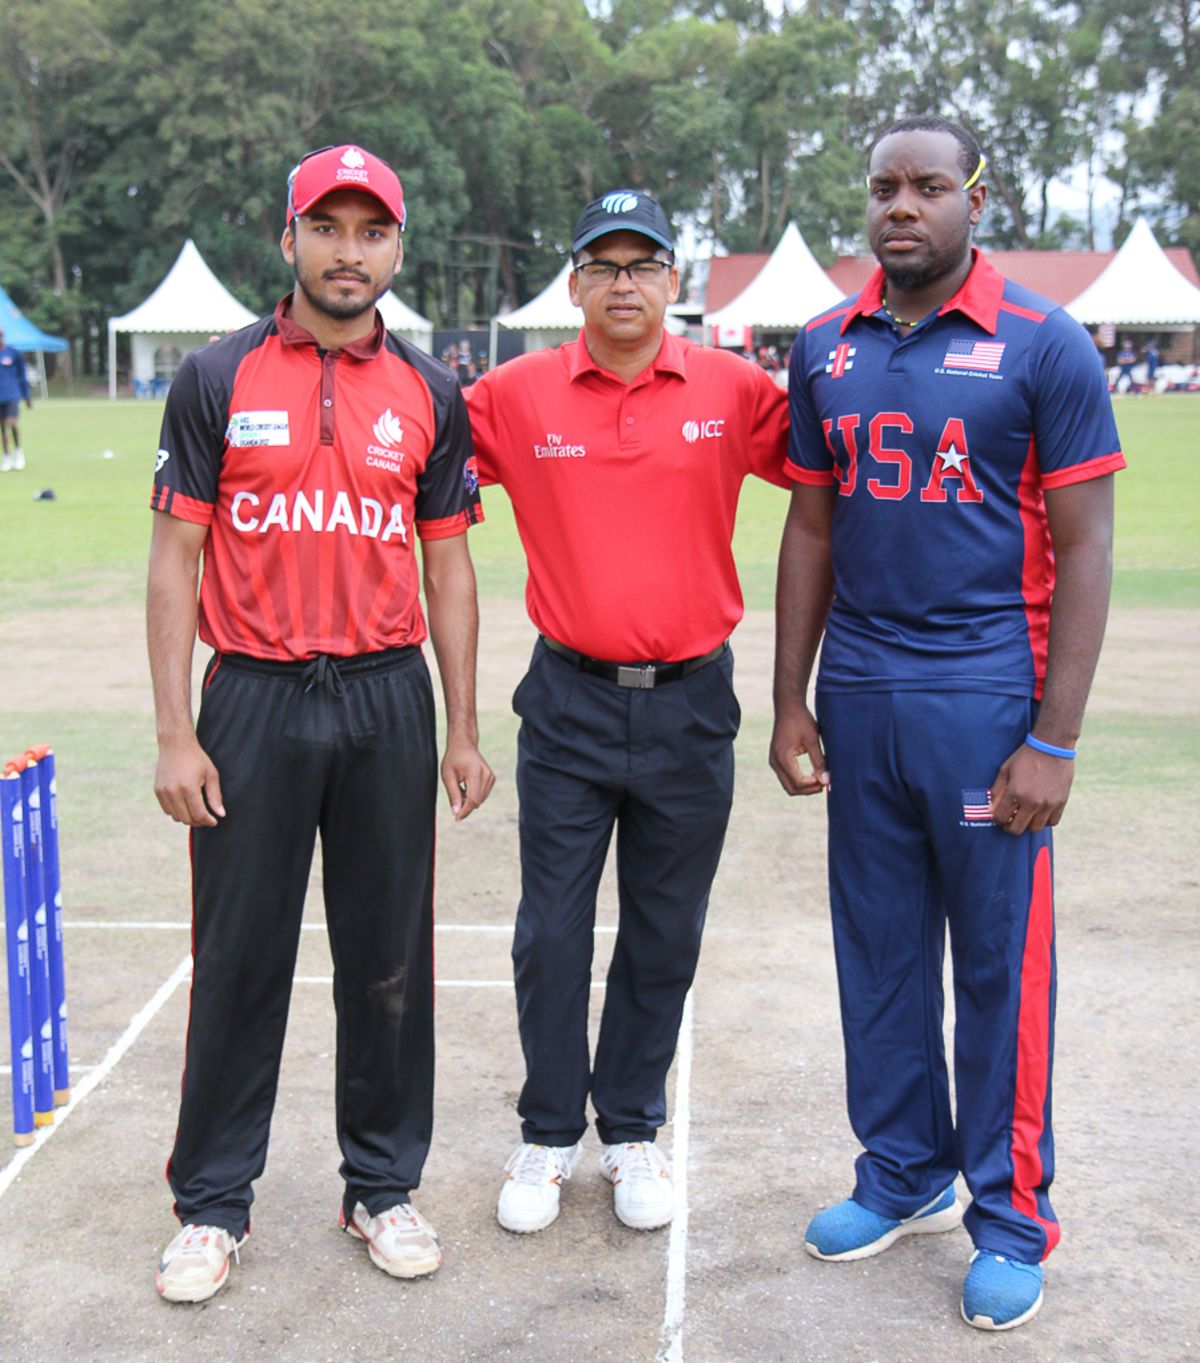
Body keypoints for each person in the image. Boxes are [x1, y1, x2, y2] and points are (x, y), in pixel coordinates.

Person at [770, 117, 1123, 1332]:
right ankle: (901, 1171)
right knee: (877, 954)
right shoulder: (824, 345)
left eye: (928, 187)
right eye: (882, 188)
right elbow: (809, 529)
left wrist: (1055, 737)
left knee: (998, 970)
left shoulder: (1044, 341)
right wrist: (786, 699)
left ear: (977, 196)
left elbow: (1086, 550)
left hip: (987, 699)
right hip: (862, 696)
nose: (901, 207)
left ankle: (1011, 1215)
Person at [146, 144, 494, 1303]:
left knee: (389, 958)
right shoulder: (214, 376)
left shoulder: (432, 391)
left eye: (373, 231)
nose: (351, 252)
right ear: (287, 237)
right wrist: (172, 730)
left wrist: (461, 725)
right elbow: (173, 559)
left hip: (388, 697)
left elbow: (448, 569)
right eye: (329, 228)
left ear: (398, 247)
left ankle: (382, 1186)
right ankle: (210, 1205)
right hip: (249, 693)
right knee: (239, 958)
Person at [465, 190, 789, 1235]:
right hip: (567, 700)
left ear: (673, 282)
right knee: (549, 934)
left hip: (693, 704)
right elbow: (415, 476)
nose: (621, 284)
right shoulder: (513, 395)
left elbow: (833, 475)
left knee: (662, 932)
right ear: (573, 283)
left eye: (642, 264)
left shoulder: (735, 390)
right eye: (601, 265)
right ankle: (551, 1129)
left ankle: (632, 1127)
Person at [0, 328, 32, 472]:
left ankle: (18, 452)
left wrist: (27, 396)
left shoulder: (14, 353)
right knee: (3, 428)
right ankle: (6, 457)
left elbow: (22, 376)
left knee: (12, 423)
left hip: (12, 394)